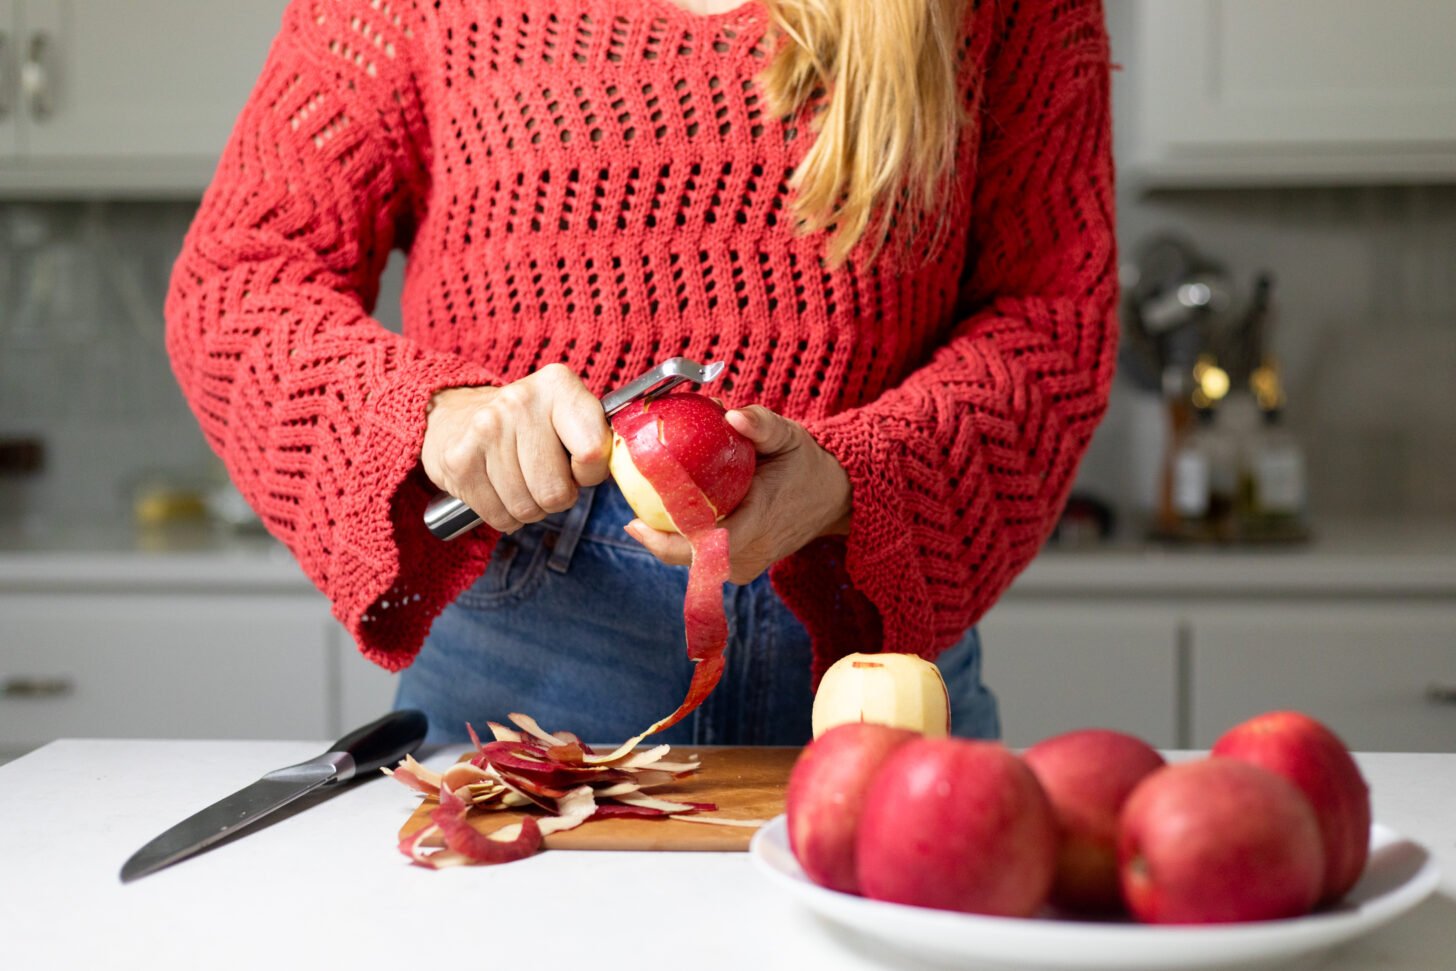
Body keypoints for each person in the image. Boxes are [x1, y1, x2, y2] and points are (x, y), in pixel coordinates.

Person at [165, 0, 1118, 745]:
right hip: (524, 669)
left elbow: (1055, 319)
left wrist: (851, 481)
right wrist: (437, 418)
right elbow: (239, 281)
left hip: (871, 668)